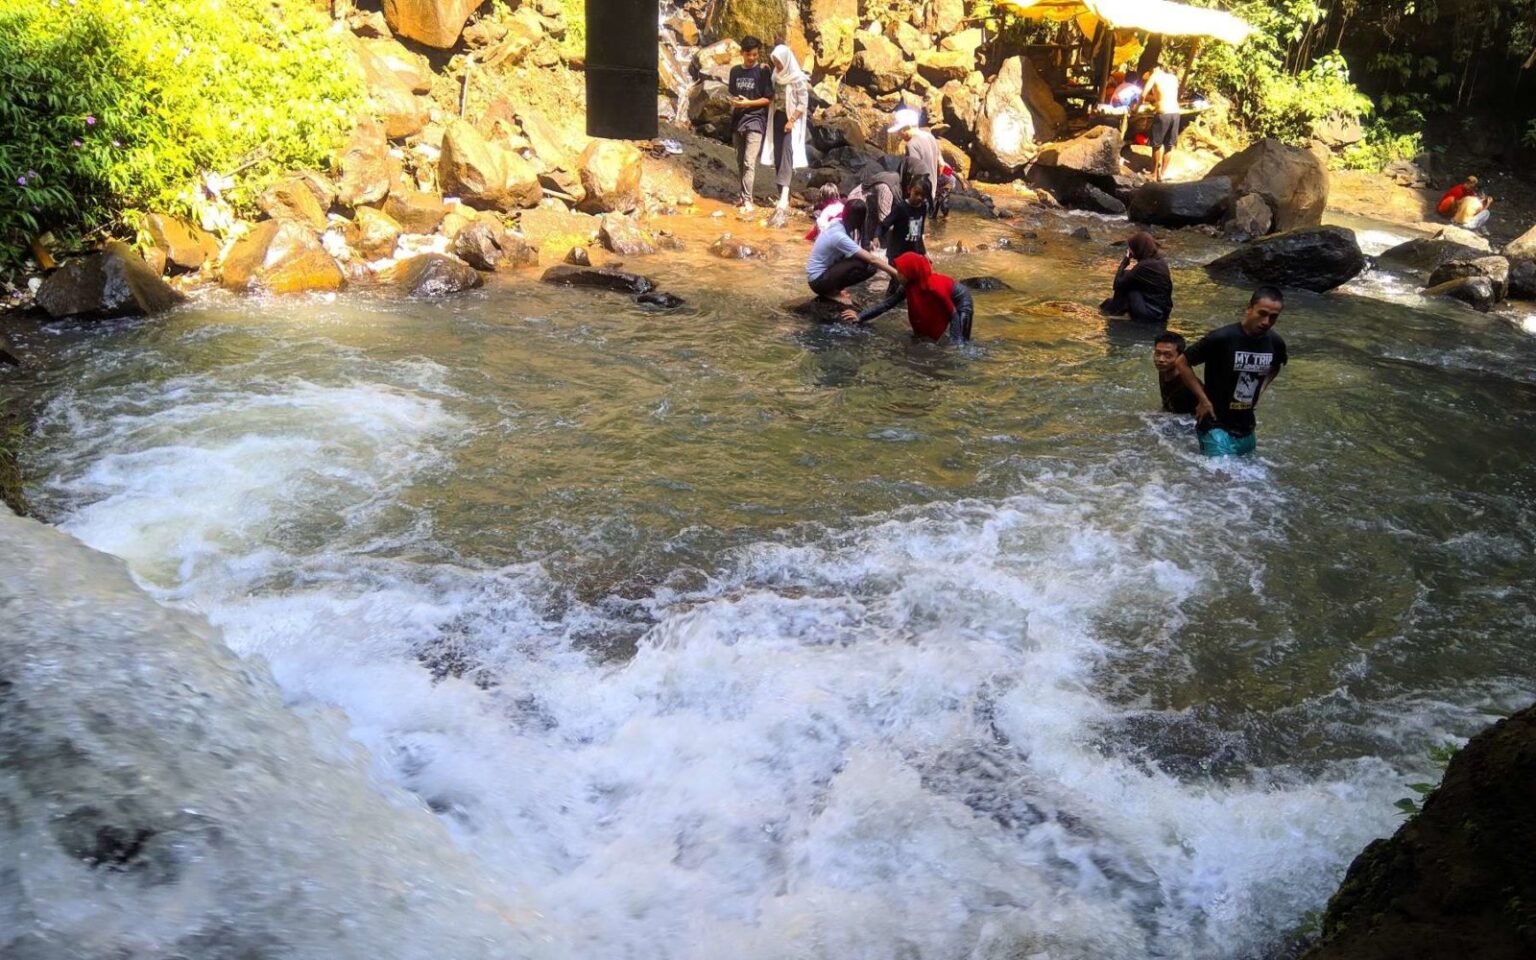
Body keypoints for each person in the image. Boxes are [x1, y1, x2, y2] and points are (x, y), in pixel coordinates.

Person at [1173, 286, 1288, 457]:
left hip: (1246, 425)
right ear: (1249, 308)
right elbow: (1182, 362)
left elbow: (1276, 365)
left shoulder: (1275, 342)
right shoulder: (1221, 338)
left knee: (1248, 479)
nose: (1266, 322)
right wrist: (1203, 399)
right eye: (1262, 313)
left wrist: (1261, 389)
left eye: (1273, 317)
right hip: (1215, 423)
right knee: (1222, 481)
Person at [855, 253, 974, 341]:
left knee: (962, 341)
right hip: (946, 296)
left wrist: (955, 345)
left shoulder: (934, 288)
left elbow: (953, 315)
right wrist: (860, 316)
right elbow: (887, 305)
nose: (897, 275)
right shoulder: (907, 286)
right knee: (921, 337)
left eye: (901, 272)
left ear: (911, 272)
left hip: (961, 301)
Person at [806, 198, 902, 305]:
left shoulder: (838, 223)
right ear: (859, 220)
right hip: (818, 281)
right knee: (867, 265)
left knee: (859, 259)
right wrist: (896, 273)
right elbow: (872, 259)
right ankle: (831, 292)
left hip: (818, 277)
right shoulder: (840, 236)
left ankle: (833, 289)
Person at [760, 44, 810, 212]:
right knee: (778, 153)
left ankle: (784, 195)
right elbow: (770, 90)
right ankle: (782, 195)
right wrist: (765, 69)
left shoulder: (797, 79)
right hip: (777, 117)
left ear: (787, 60)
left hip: (790, 120)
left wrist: (792, 120)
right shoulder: (776, 74)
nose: (777, 65)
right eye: (775, 62)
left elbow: (803, 103)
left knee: (787, 155)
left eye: (779, 62)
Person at [727, 37, 773, 213]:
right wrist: (735, 102)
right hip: (737, 120)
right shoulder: (735, 71)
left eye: (755, 54)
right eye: (749, 54)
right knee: (740, 161)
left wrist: (748, 103)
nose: (752, 58)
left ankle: (748, 200)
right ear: (742, 53)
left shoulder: (763, 72)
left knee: (749, 161)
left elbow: (768, 99)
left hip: (756, 120)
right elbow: (732, 94)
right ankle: (742, 195)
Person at [1099, 231, 1173, 323]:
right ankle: (1116, 308)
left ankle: (1114, 311)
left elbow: (1117, 284)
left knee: (1127, 279)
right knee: (1129, 277)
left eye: (1133, 249)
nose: (1132, 254)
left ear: (1139, 248)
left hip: (1149, 315)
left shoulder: (1143, 266)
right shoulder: (1161, 263)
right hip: (1163, 314)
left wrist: (1125, 262)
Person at [889, 107, 941, 205]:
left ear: (907, 127)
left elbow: (915, 174)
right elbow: (940, 164)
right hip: (930, 194)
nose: (899, 135)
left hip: (918, 196)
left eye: (899, 131)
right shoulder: (930, 137)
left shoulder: (912, 144)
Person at [1143, 63, 1181, 182]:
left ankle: (1153, 174)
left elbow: (1142, 94)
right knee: (1169, 146)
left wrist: (1137, 107)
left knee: (1156, 145)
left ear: (1153, 69)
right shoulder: (1173, 78)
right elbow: (1166, 94)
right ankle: (1163, 174)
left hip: (1163, 113)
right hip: (1175, 113)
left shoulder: (1154, 76)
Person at [846, 169, 902, 250]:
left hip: (868, 207)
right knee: (859, 241)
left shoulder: (891, 181)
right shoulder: (885, 188)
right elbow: (885, 218)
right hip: (857, 206)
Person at [879, 175, 930, 263]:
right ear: (909, 190)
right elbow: (885, 224)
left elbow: (918, 234)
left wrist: (924, 253)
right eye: (917, 193)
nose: (919, 198)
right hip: (898, 255)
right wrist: (876, 238)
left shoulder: (923, 208)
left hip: (914, 254)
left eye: (923, 195)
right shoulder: (901, 207)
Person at [1152, 332, 1198, 414]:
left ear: (1180, 358)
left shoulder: (1187, 387)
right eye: (1158, 353)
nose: (1161, 359)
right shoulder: (1164, 368)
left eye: (1168, 355)